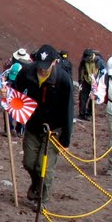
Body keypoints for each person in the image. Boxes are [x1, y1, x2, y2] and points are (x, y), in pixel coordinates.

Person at [12, 43, 73, 207]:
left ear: (54, 62)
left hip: (54, 130)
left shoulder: (63, 79)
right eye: (40, 65)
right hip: (32, 125)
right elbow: (16, 92)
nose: (42, 69)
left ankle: (42, 200)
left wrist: (65, 140)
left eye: (46, 66)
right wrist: (7, 95)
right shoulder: (27, 72)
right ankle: (36, 185)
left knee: (44, 168)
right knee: (29, 163)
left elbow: (68, 111)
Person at [76, 49, 104, 120]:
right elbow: (81, 70)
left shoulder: (98, 61)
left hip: (95, 82)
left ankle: (89, 113)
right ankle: (82, 114)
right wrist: (80, 81)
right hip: (86, 80)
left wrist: (98, 82)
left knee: (92, 98)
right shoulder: (83, 61)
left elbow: (103, 71)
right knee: (82, 97)